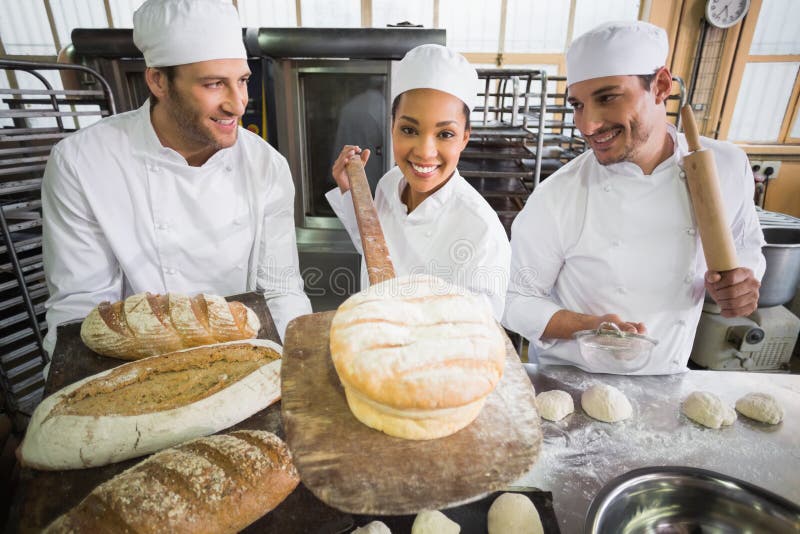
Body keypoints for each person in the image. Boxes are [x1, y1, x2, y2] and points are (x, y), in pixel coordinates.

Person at [41, 0, 311, 355]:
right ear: (158, 81)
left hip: (241, 354)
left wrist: (299, 364)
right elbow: (79, 313)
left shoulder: (266, 165)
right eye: (214, 84)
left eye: (242, 80)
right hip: (131, 362)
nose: (238, 103)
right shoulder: (82, 163)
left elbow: (281, 289)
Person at [503, 21, 765, 374]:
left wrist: (746, 279)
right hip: (571, 381)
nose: (588, 125)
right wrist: (589, 326)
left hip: (668, 378)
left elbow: (747, 243)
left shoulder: (726, 168)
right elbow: (513, 298)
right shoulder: (560, 195)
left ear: (660, 85)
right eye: (578, 105)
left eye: (607, 98)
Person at [326, 44, 510, 320]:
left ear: (465, 138)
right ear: (392, 127)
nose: (424, 151)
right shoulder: (389, 184)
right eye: (409, 130)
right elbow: (376, 254)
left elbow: (479, 337)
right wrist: (351, 192)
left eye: (445, 134)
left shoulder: (483, 232)